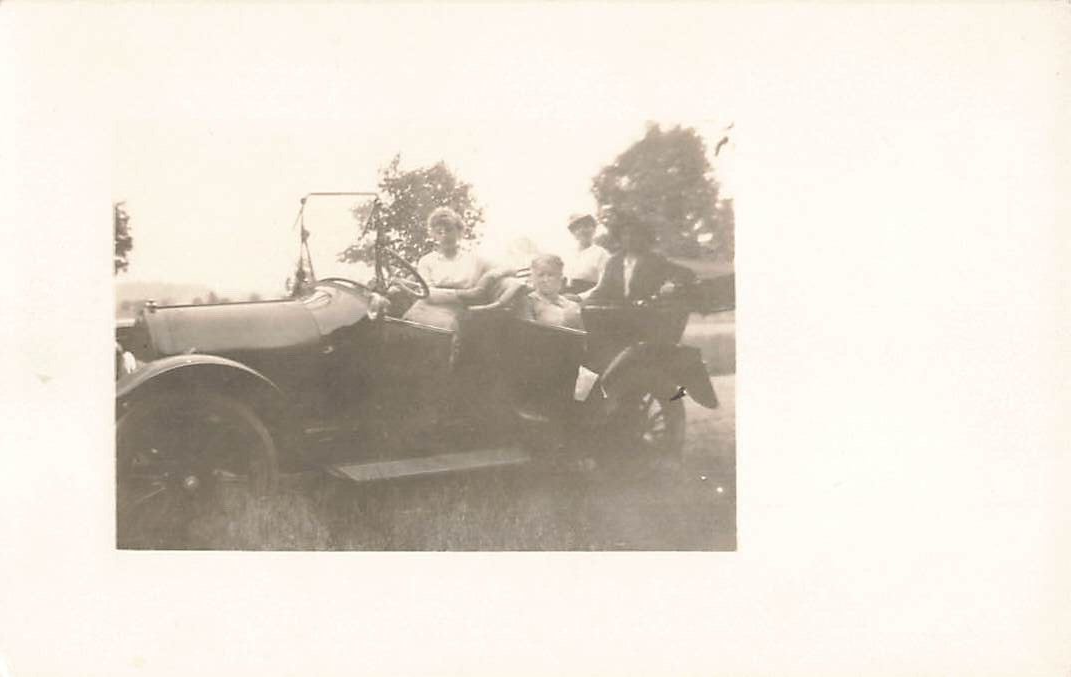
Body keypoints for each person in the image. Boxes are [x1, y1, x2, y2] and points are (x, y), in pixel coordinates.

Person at [583, 216, 696, 305]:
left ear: (644, 237)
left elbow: (686, 274)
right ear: (620, 237)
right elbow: (603, 289)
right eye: (625, 234)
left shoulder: (655, 260)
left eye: (634, 234)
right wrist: (581, 301)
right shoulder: (614, 262)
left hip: (647, 315)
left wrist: (672, 285)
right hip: (618, 315)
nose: (629, 238)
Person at [517, 253, 584, 330]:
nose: (545, 280)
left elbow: (582, 336)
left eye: (551, 275)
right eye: (540, 275)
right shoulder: (529, 302)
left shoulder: (572, 305)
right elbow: (528, 334)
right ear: (533, 278)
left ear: (560, 277)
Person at [562, 213, 609, 294]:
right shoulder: (567, 254)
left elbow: (603, 285)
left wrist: (580, 297)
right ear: (573, 233)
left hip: (589, 301)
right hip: (565, 298)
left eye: (586, 226)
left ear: (594, 229)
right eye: (577, 228)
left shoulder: (602, 254)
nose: (582, 230)